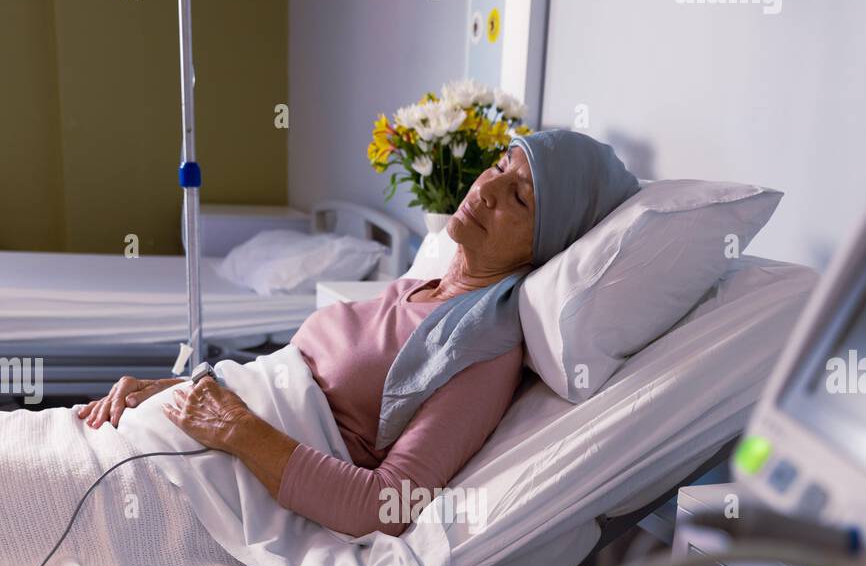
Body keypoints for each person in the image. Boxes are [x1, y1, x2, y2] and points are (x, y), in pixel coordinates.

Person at [76, 131, 639, 537]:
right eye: (499, 166)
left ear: (548, 243)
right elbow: (283, 376)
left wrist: (236, 427)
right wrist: (176, 389)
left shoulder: (482, 347)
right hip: (196, 425)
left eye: (521, 197)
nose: (489, 189)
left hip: (214, 480)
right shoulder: (416, 288)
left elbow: (390, 504)